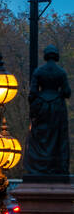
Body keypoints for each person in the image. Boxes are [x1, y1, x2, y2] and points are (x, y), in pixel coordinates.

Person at [22, 46, 71, 180]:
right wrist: (57, 94)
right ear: (56, 56)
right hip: (57, 107)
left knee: (39, 136)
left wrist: (36, 105)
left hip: (42, 106)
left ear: (45, 55)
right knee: (57, 137)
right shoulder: (61, 72)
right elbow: (67, 92)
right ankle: (56, 167)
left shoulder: (39, 71)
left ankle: (39, 166)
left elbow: (32, 93)